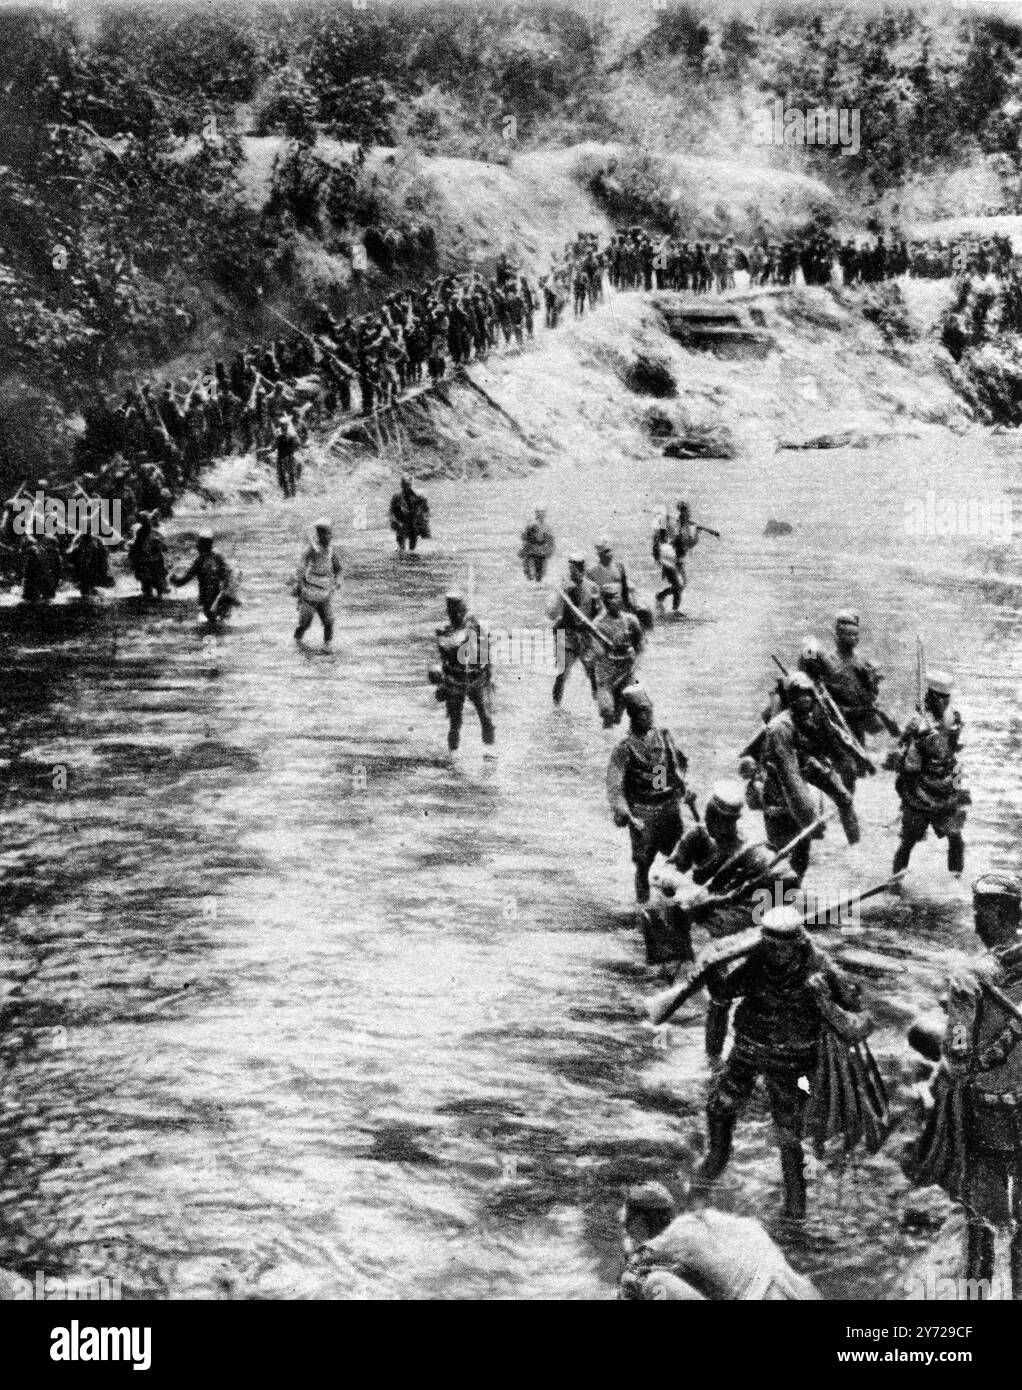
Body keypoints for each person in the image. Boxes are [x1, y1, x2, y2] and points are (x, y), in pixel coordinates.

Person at [698, 902, 864, 1220]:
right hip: (748, 1050)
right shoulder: (752, 961)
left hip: (793, 1063)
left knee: (789, 1136)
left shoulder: (820, 969)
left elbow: (856, 1012)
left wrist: (827, 1000)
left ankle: (795, 1211)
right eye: (769, 946)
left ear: (797, 944)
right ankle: (708, 1176)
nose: (775, 954)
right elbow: (719, 1001)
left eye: (781, 948)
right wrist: (713, 1055)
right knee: (719, 1109)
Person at [906, 875, 1022, 1297]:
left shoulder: (970, 976)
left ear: (998, 915)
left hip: (989, 1112)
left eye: (979, 912)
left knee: (981, 1224)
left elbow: (956, 1059)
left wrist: (936, 1087)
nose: (975, 920)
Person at [618, 1180, 820, 1300]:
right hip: (802, 1292)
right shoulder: (711, 1221)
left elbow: (630, 1280)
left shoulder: (665, 1241)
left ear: (639, 1224)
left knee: (655, 1282)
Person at [759, 671, 859, 882]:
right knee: (789, 848)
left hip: (806, 770)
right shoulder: (781, 727)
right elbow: (790, 774)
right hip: (779, 787)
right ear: (791, 699)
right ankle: (777, 895)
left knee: (844, 800)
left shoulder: (817, 716)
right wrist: (810, 817)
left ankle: (856, 849)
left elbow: (832, 748)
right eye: (799, 695)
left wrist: (846, 772)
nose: (805, 699)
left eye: (808, 694)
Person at [606, 684, 688, 904]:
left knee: (679, 858)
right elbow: (615, 786)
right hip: (642, 813)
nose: (648, 715)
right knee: (643, 864)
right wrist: (623, 811)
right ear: (632, 715)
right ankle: (642, 908)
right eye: (642, 711)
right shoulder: (624, 749)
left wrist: (684, 787)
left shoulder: (663, 737)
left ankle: (676, 903)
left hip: (668, 807)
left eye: (649, 709)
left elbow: (678, 765)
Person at [891, 671, 968, 876]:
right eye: (939, 698)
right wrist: (917, 737)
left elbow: (952, 746)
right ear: (931, 697)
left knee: (956, 838)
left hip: (946, 789)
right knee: (908, 840)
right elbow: (904, 759)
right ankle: (896, 881)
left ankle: (955, 879)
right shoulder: (917, 722)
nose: (943, 702)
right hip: (919, 791)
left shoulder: (953, 719)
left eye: (946, 698)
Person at [433, 589, 496, 755]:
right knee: (455, 723)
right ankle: (453, 755)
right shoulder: (444, 631)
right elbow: (449, 648)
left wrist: (491, 677)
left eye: (461, 610)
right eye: (454, 611)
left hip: (478, 678)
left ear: (464, 609)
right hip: (454, 680)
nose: (458, 614)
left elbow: (486, 651)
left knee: (487, 718)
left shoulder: (475, 626)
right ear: (449, 612)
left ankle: (489, 752)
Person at [549, 552, 600, 706]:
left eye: (575, 569)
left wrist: (594, 624)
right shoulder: (563, 588)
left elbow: (599, 612)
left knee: (592, 673)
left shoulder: (592, 588)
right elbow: (552, 613)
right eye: (570, 569)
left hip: (585, 635)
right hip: (565, 634)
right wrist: (563, 595)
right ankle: (556, 707)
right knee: (562, 674)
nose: (572, 572)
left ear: (582, 569)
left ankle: (598, 704)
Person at [591, 584, 644, 727]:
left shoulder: (630, 620)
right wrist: (603, 649)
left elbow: (640, 647)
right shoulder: (598, 624)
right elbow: (597, 652)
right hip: (606, 676)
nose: (616, 601)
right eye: (611, 598)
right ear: (605, 602)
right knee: (608, 712)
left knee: (637, 710)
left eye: (617, 597)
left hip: (626, 673)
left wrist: (635, 665)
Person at [293, 518, 343, 649]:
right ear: (319, 535)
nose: (330, 536)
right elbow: (302, 566)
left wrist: (337, 579)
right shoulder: (312, 549)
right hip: (310, 592)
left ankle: (327, 646)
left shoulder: (332, 551)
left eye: (330, 533)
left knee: (329, 622)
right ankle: (297, 643)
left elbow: (338, 568)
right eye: (326, 533)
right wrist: (298, 582)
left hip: (325, 592)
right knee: (304, 625)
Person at [171, 529, 236, 624]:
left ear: (204, 545)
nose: (197, 545)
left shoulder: (202, 560)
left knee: (211, 620)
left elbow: (185, 579)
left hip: (210, 598)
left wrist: (175, 581)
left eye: (200, 542)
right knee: (217, 621)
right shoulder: (216, 558)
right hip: (214, 597)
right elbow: (227, 575)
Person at [127, 512, 169, 601]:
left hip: (150, 559)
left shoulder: (145, 533)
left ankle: (153, 593)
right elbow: (164, 546)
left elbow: (164, 546)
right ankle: (153, 593)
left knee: (150, 577)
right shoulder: (147, 533)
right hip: (150, 559)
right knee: (150, 577)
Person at [66, 526, 114, 598]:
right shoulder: (78, 540)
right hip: (83, 567)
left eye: (88, 529)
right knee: (85, 585)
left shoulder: (96, 540)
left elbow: (104, 554)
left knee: (91, 583)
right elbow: (70, 552)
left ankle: (92, 595)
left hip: (93, 566)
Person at [586, 538, 632, 611]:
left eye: (609, 551)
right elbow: (591, 594)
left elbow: (625, 590)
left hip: (619, 605)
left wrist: (628, 607)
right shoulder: (592, 572)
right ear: (600, 555)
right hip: (602, 607)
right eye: (606, 552)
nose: (609, 554)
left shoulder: (619, 567)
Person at [389, 475, 431, 552]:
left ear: (411, 484)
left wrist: (424, 522)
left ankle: (410, 553)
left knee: (412, 546)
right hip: (402, 519)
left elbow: (426, 509)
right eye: (404, 484)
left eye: (408, 485)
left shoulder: (418, 495)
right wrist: (395, 522)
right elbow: (392, 511)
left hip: (413, 520)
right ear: (401, 485)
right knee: (401, 544)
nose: (406, 487)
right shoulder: (397, 496)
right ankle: (401, 550)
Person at [518, 506, 555, 582]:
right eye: (540, 513)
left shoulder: (545, 527)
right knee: (534, 575)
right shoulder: (534, 525)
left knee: (536, 575)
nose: (541, 515)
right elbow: (525, 537)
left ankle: (534, 583)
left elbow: (550, 541)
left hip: (538, 552)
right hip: (534, 552)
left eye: (542, 513)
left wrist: (549, 550)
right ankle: (534, 583)